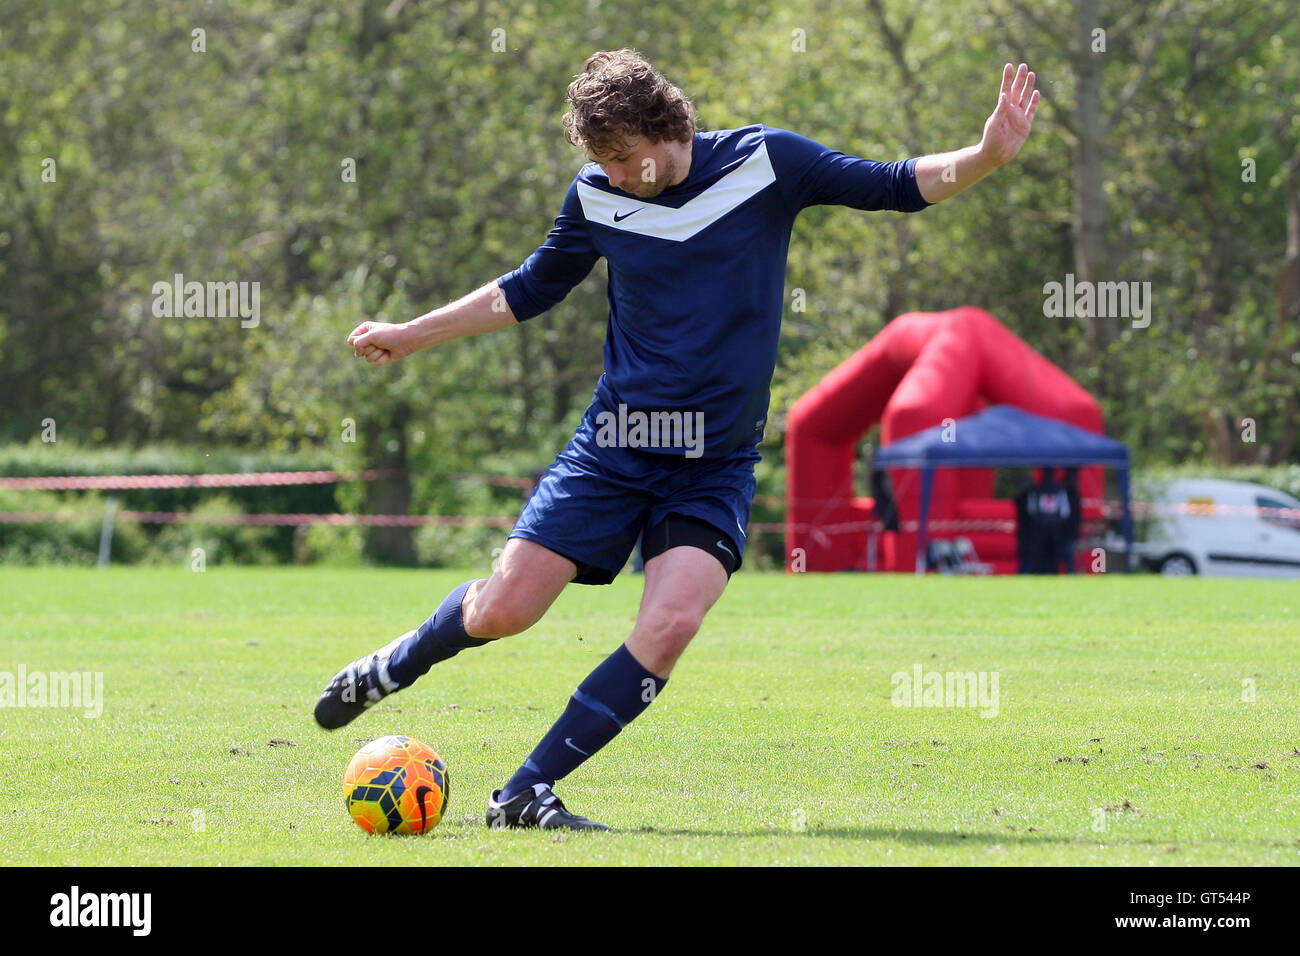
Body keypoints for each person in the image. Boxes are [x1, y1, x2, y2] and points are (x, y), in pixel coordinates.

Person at [314, 49, 1039, 830]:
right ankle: (392, 665)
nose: (618, 175)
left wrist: (987, 155)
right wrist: (411, 336)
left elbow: (894, 185)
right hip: (615, 446)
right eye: (603, 162)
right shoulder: (596, 196)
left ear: (667, 125)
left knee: (671, 625)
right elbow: (525, 290)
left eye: (626, 157)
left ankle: (525, 793)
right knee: (504, 610)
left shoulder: (767, 162)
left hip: (715, 462)